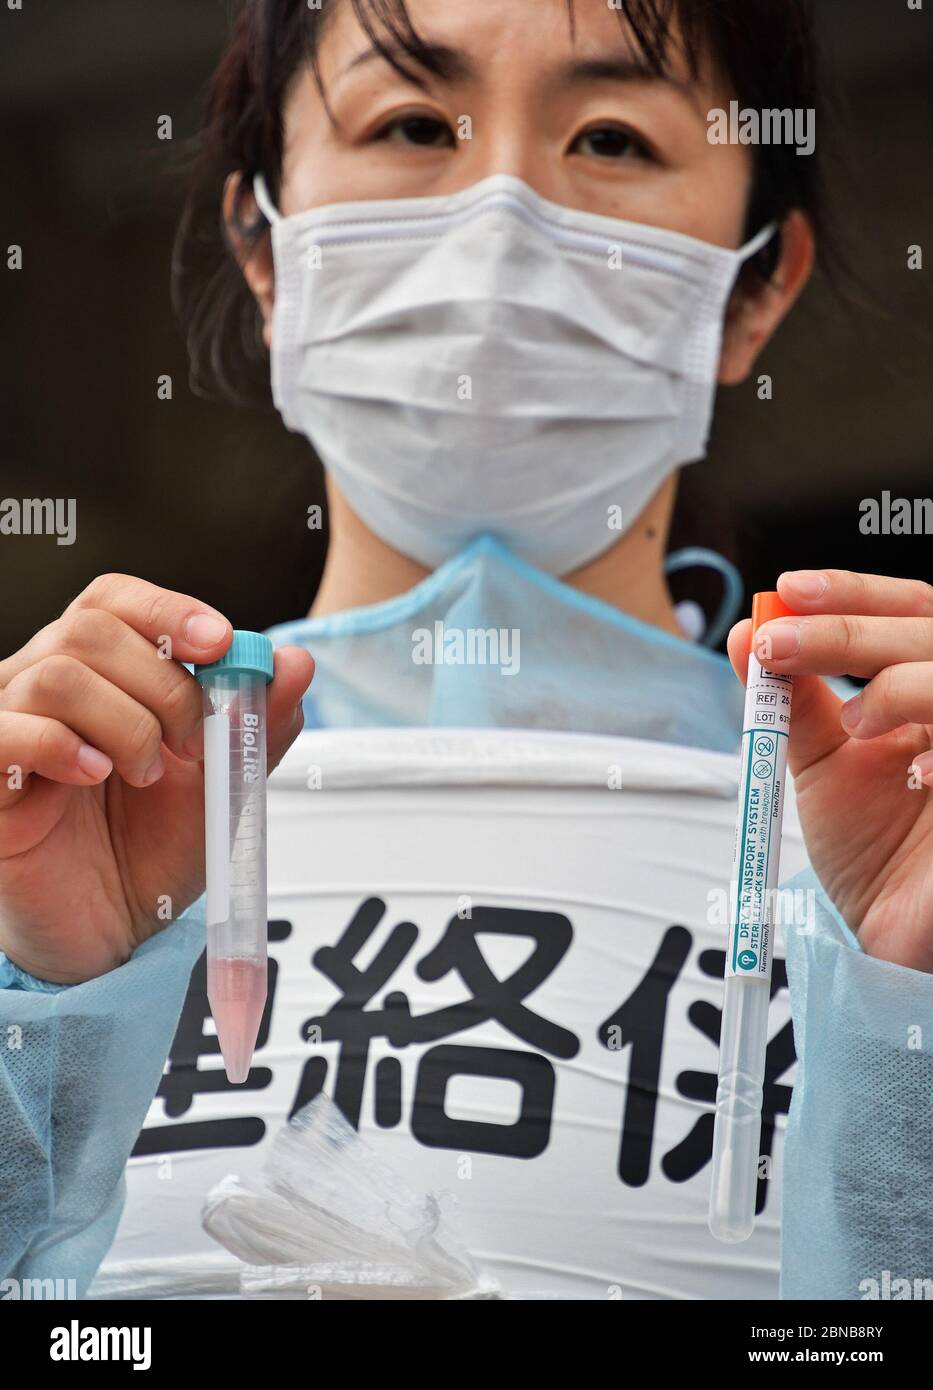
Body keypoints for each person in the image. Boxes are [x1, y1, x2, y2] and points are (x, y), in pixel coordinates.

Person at [2, 0, 932, 1300]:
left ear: (752, 287)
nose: (500, 217)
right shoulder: (64, 811)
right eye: (411, 122)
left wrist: (905, 1018)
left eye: (610, 137)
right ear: (264, 244)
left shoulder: (897, 832)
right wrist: (40, 1008)